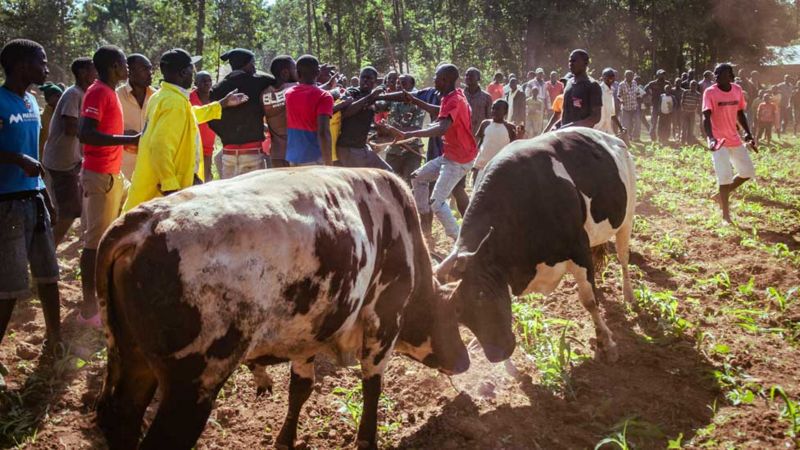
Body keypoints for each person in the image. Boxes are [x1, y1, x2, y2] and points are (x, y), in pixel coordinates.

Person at [0, 39, 62, 390]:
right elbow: (21, 154)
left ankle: (55, 340)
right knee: (8, 287)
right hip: (6, 204)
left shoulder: (31, 102)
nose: (47, 68)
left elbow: (35, 153)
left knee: (49, 274)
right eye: (42, 61)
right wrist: (15, 160)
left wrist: (46, 192)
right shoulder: (0, 100)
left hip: (35, 197)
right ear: (22, 64)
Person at [124, 49, 247, 211]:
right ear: (183, 73)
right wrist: (170, 187)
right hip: (159, 197)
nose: (194, 73)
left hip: (153, 191)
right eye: (192, 69)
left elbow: (189, 116)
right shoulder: (174, 102)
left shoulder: (162, 96)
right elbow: (159, 146)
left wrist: (221, 104)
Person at [77, 45, 140, 326]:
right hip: (99, 175)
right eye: (125, 63)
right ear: (115, 66)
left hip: (114, 174)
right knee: (95, 243)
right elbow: (86, 134)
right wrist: (127, 140)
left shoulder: (109, 92)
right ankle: (89, 309)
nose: (127, 68)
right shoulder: (97, 91)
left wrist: (125, 139)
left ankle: (108, 294)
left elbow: (103, 131)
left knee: (112, 235)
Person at [383, 64, 477, 242]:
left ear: (445, 80)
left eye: (436, 76)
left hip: (459, 160)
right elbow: (438, 113)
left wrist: (409, 134)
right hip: (449, 156)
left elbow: (442, 127)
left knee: (437, 202)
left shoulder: (455, 99)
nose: (433, 79)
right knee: (417, 178)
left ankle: (459, 242)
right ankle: (424, 223)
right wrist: (414, 100)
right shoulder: (451, 95)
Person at [42, 57, 97, 245]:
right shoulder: (73, 94)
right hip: (62, 162)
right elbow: (70, 128)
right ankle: (47, 253)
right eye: (94, 70)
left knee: (77, 207)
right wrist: (99, 131)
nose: (97, 74)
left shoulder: (83, 93)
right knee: (70, 211)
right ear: (83, 73)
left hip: (72, 160)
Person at [702, 63, 757, 224]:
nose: (717, 76)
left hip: (734, 137)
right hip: (718, 140)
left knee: (747, 172)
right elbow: (706, 117)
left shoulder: (737, 90)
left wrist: (747, 133)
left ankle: (720, 195)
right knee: (724, 176)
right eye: (716, 74)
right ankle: (726, 215)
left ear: (730, 76)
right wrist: (711, 138)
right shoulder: (710, 92)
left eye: (721, 74)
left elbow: (740, 113)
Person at [209, 48, 273, 178]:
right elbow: (275, 81)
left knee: (231, 196)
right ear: (246, 64)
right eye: (252, 63)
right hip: (253, 153)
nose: (254, 67)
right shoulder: (259, 82)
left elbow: (211, 119)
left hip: (228, 155)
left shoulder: (216, 89)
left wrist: (226, 136)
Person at [335, 66, 391, 170]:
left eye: (369, 78)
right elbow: (346, 113)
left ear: (375, 81)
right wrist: (372, 96)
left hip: (362, 148)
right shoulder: (352, 92)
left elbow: (383, 106)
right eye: (363, 77)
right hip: (348, 148)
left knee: (388, 173)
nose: (365, 80)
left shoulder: (375, 97)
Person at [285, 55, 334, 166]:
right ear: (318, 73)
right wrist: (329, 164)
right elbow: (323, 132)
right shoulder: (324, 96)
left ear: (297, 73)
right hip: (314, 158)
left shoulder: (288, 94)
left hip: (293, 156)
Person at [116, 54, 154, 180]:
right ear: (129, 72)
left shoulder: (157, 97)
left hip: (152, 169)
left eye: (150, 69)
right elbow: (102, 129)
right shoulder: (116, 97)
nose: (150, 73)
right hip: (123, 170)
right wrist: (125, 136)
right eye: (144, 69)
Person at [383, 74, 426, 183]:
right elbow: (379, 107)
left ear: (412, 85)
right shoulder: (392, 98)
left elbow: (416, 128)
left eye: (403, 84)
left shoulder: (418, 101)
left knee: (410, 182)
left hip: (411, 150)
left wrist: (394, 129)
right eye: (398, 83)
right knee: (390, 183)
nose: (399, 86)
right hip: (393, 149)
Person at [261, 55, 297, 169]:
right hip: (296, 151)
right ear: (285, 73)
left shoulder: (264, 93)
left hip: (276, 153)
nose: (298, 72)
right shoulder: (294, 88)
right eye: (295, 69)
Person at [474, 99, 517, 184]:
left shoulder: (510, 127)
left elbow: (514, 147)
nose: (494, 111)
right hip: (483, 165)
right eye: (493, 108)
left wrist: (519, 136)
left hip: (500, 167)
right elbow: (481, 142)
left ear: (505, 112)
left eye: (497, 109)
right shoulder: (485, 124)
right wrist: (476, 162)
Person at [559, 49, 602, 129]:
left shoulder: (592, 85)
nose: (571, 64)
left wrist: (570, 127)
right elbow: (566, 113)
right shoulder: (569, 83)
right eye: (570, 61)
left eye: (574, 61)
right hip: (565, 135)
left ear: (585, 63)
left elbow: (595, 118)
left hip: (581, 137)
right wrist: (556, 127)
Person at [189, 71, 217, 181]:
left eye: (209, 80)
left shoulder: (215, 96)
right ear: (196, 83)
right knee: (193, 175)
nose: (207, 83)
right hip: (193, 144)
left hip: (209, 145)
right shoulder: (189, 98)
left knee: (206, 174)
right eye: (203, 81)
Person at [595, 67, 625, 137]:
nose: (610, 79)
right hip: (597, 129)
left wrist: (620, 127)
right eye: (608, 77)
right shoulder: (598, 90)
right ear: (603, 77)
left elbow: (612, 113)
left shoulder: (611, 91)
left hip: (607, 129)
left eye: (612, 77)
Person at [463, 67, 492, 136]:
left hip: (479, 136)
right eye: (466, 75)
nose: (468, 77)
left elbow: (489, 118)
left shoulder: (486, 97)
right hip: (462, 135)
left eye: (471, 75)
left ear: (478, 78)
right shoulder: (460, 96)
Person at [38, 82, 62, 160]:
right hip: (44, 160)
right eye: (58, 96)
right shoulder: (40, 117)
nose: (61, 99)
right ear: (50, 98)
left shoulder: (62, 115)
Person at [645, 69, 669, 142]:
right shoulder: (652, 83)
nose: (663, 76)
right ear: (658, 75)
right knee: (653, 123)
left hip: (664, 106)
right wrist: (648, 98)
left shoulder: (667, 83)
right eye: (661, 74)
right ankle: (653, 138)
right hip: (655, 105)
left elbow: (671, 91)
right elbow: (645, 90)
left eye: (664, 74)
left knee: (663, 123)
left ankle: (662, 137)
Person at [618, 70, 639, 141]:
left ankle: (635, 138)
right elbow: (618, 95)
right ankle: (625, 138)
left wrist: (639, 95)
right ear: (625, 76)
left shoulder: (634, 82)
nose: (631, 77)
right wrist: (621, 100)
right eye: (629, 76)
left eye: (632, 76)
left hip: (634, 107)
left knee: (636, 122)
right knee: (626, 124)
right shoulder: (621, 84)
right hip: (626, 108)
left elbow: (636, 92)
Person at [680, 80, 702, 145]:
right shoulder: (685, 92)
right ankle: (682, 142)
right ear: (690, 85)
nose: (693, 86)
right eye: (692, 85)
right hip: (685, 113)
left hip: (692, 113)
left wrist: (697, 110)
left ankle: (689, 142)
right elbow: (682, 101)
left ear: (696, 86)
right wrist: (683, 109)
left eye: (694, 85)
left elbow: (699, 103)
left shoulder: (698, 94)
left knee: (691, 128)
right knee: (684, 127)